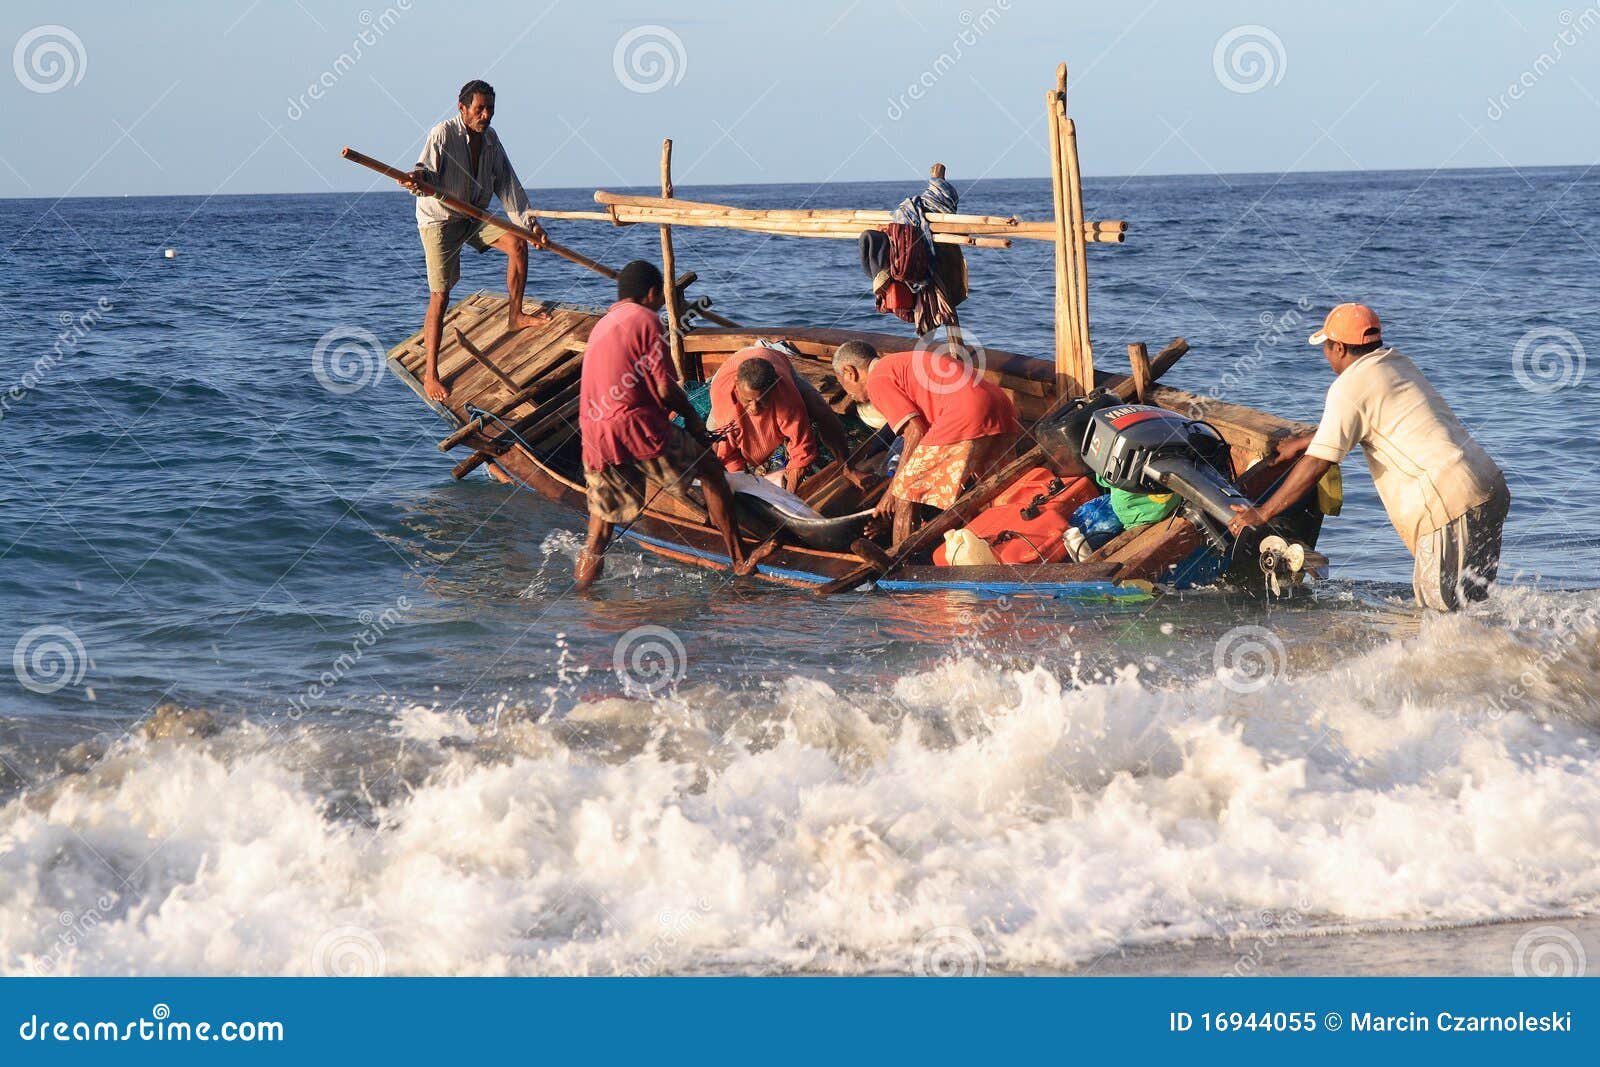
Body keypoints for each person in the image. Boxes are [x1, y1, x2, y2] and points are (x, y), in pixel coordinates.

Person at [1227, 303, 1510, 611]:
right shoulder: (1396, 363)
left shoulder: (1347, 386)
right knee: (1473, 609)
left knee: (1442, 615)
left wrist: (1262, 513)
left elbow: (1320, 462)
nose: (1326, 355)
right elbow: (1367, 418)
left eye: (1326, 347)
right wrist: (1304, 442)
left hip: (1448, 502)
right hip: (1487, 487)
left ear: (1338, 347)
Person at [576, 261, 753, 586]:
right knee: (711, 469)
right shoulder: (646, 320)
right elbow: (664, 388)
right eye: (660, 298)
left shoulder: (602, 325)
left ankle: (583, 599)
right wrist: (696, 422)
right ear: (653, 293)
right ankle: (739, 560)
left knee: (598, 534)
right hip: (634, 427)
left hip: (594, 437)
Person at [397, 79, 550, 402]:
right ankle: (431, 374)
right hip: (439, 219)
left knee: (518, 244)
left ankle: (516, 315)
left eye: (490, 109)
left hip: (472, 215)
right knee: (441, 294)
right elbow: (423, 171)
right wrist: (417, 181)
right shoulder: (443, 134)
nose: (486, 115)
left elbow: (509, 187)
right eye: (479, 109)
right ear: (462, 108)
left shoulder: (491, 141)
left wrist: (529, 226)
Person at [831, 339, 1020, 539]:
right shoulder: (899, 362)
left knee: (905, 492)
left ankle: (902, 564)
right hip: (1000, 406)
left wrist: (895, 489)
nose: (849, 395)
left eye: (843, 385)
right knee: (992, 490)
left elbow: (915, 431)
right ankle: (1002, 543)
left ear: (850, 372)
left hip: (965, 413)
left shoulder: (877, 380)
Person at [708, 345, 867, 495]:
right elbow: (729, 457)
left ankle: (848, 468)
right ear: (737, 387)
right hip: (729, 371)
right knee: (713, 448)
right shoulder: (724, 402)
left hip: (773, 359)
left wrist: (789, 497)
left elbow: (802, 449)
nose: (754, 408)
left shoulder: (786, 395)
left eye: (762, 400)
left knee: (822, 410)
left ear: (775, 389)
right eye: (748, 401)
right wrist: (746, 487)